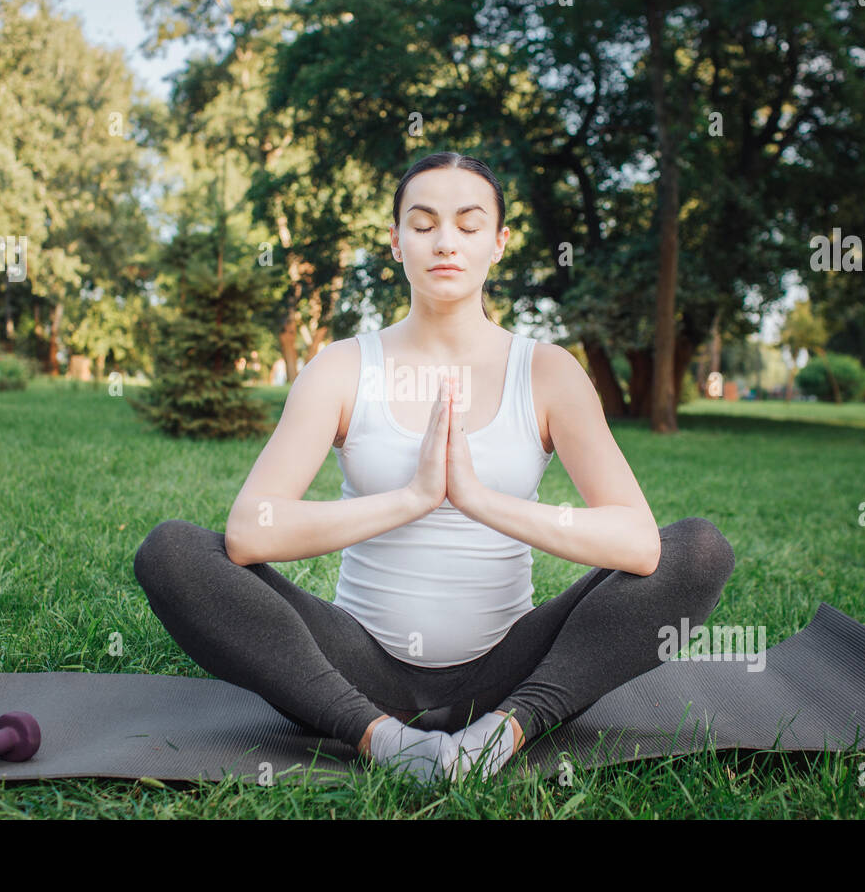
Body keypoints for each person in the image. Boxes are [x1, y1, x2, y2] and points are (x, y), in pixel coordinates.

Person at [133, 151, 736, 784]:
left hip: (510, 670)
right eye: (423, 225)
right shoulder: (342, 367)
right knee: (172, 552)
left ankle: (503, 733)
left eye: (469, 225)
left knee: (698, 550)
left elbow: (639, 544)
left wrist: (477, 499)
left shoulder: (547, 372)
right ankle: (382, 738)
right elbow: (250, 531)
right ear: (396, 242)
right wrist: (413, 498)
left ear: (498, 243)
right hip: (356, 668)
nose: (445, 241)